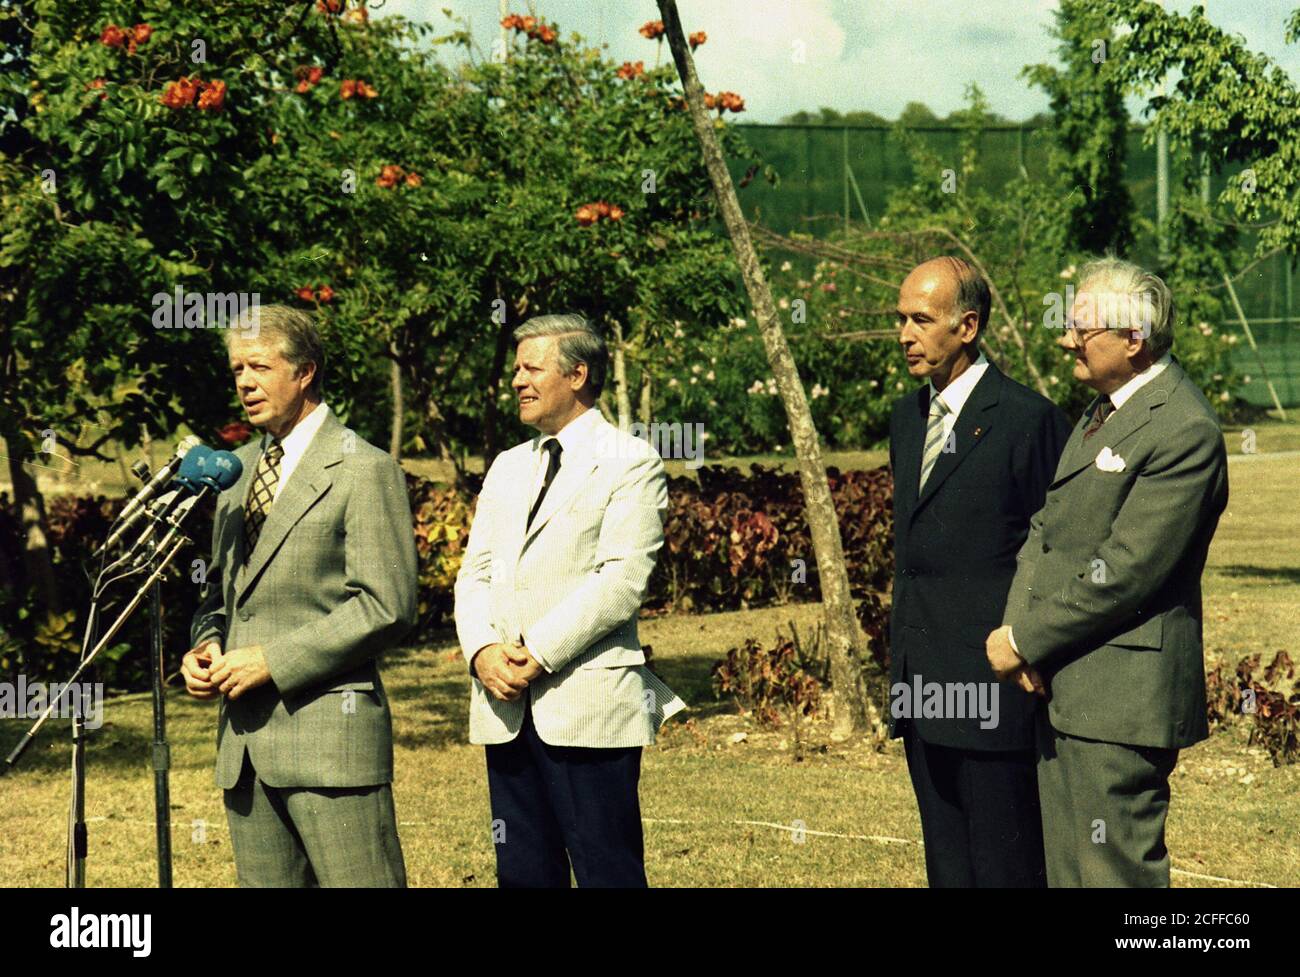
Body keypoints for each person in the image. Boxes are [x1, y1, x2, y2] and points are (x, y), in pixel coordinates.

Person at [987, 257, 1229, 887]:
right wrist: (1022, 632)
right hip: (1067, 688)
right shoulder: (1105, 410)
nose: (1066, 339)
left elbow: (1126, 571)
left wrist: (1023, 641)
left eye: (1081, 330)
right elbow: (1047, 529)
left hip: (1120, 703)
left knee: (1115, 879)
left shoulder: (1184, 429)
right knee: (1071, 875)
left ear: (1133, 339)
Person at [182, 304, 417, 887]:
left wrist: (272, 661)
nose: (244, 382)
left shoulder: (364, 469)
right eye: (237, 369)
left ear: (305, 371)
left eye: (259, 366)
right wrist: (205, 646)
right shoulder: (232, 473)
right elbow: (219, 593)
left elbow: (386, 605)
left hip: (330, 745)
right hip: (244, 751)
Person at [454, 313, 684, 887]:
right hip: (504, 706)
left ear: (578, 374)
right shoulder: (508, 466)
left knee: (608, 871)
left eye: (531, 369)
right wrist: (483, 651)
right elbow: (474, 573)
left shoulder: (632, 461)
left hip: (587, 706)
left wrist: (536, 652)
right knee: (524, 872)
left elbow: (621, 581)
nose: (516, 381)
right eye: (515, 370)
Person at [889, 256, 1070, 887]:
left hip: (995, 690)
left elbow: (1061, 550)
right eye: (900, 319)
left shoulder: (1029, 419)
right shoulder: (907, 420)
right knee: (948, 868)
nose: (905, 334)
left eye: (921, 319)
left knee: (1007, 869)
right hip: (922, 688)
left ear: (968, 326)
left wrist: (1034, 649)